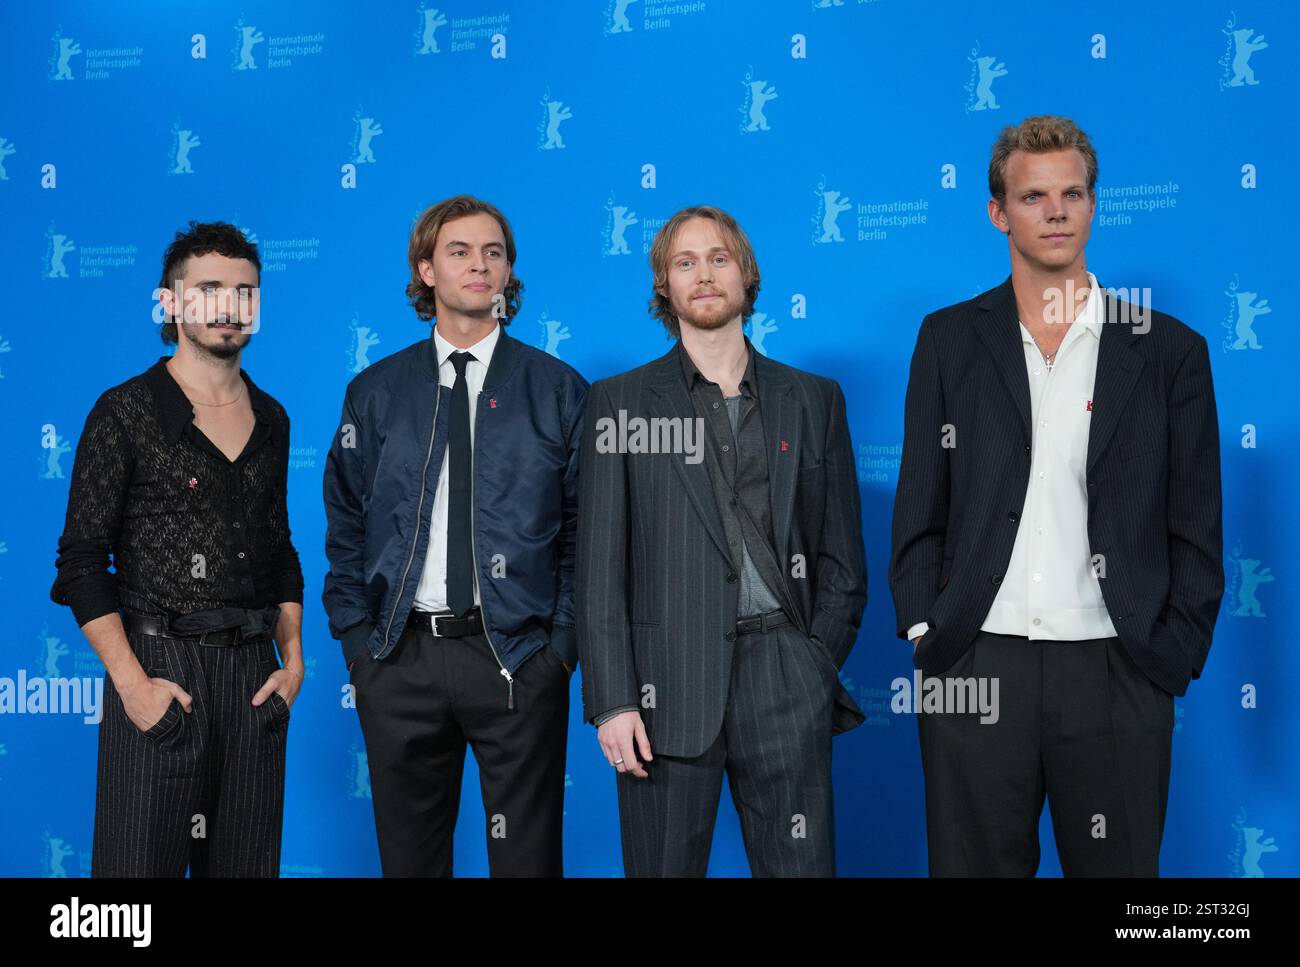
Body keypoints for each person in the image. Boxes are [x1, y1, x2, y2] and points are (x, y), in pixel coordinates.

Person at [890, 115, 1224, 875]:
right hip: (975, 662)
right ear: (998, 213)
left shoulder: (1169, 350)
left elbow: (1196, 523)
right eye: (1033, 196)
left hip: (1118, 668)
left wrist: (1168, 652)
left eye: (1072, 193)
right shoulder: (947, 339)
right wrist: (927, 630)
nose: (1056, 211)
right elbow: (920, 507)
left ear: (1093, 204)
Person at [578, 205, 867, 876]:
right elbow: (599, 567)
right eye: (684, 262)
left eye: (718, 259)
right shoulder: (618, 403)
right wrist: (614, 699)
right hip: (662, 689)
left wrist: (814, 662)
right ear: (664, 286)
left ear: (746, 275)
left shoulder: (813, 398)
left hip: (784, 676)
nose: (703, 275)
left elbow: (843, 559)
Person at [323, 195, 587, 876]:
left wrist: (557, 650)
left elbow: (585, 531)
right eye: (460, 251)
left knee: (527, 863)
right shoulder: (375, 393)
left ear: (509, 273)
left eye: (494, 252)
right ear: (426, 270)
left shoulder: (558, 390)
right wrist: (360, 647)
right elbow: (346, 522)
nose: (480, 264)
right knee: (411, 865)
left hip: (518, 660)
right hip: (400, 658)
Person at [50, 221, 304, 877]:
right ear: (170, 303)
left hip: (252, 680)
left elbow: (279, 549)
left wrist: (294, 660)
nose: (229, 305)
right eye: (210, 289)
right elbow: (81, 563)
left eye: (245, 291)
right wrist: (133, 686)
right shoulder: (125, 411)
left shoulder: (272, 417)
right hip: (161, 669)